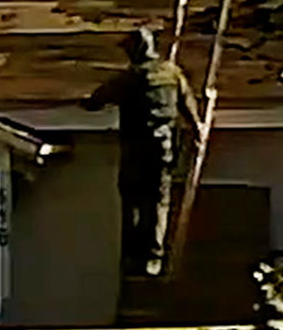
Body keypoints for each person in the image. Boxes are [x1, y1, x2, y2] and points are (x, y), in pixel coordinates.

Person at [84, 27, 201, 278]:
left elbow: (96, 101)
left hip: (136, 148)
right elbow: (188, 103)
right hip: (163, 148)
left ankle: (133, 257)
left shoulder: (130, 79)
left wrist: (87, 101)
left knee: (133, 202)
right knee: (158, 203)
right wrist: (198, 130)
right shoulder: (172, 73)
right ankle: (153, 257)